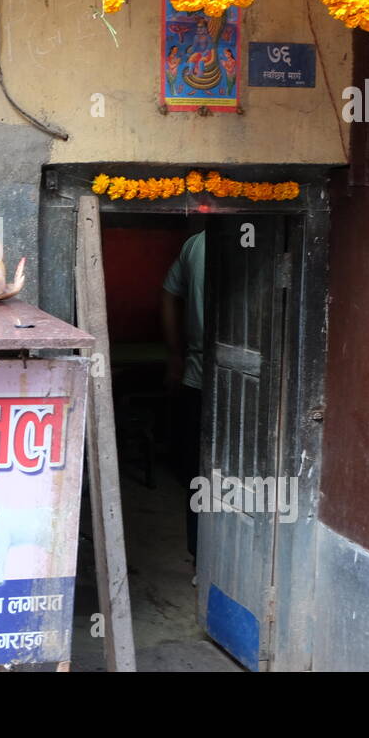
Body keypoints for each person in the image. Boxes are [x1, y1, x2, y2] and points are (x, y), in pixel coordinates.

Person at [161, 229, 205, 565]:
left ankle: (199, 553)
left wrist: (175, 353)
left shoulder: (196, 242)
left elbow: (168, 293)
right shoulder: (263, 235)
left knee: (197, 471)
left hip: (196, 374)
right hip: (213, 375)